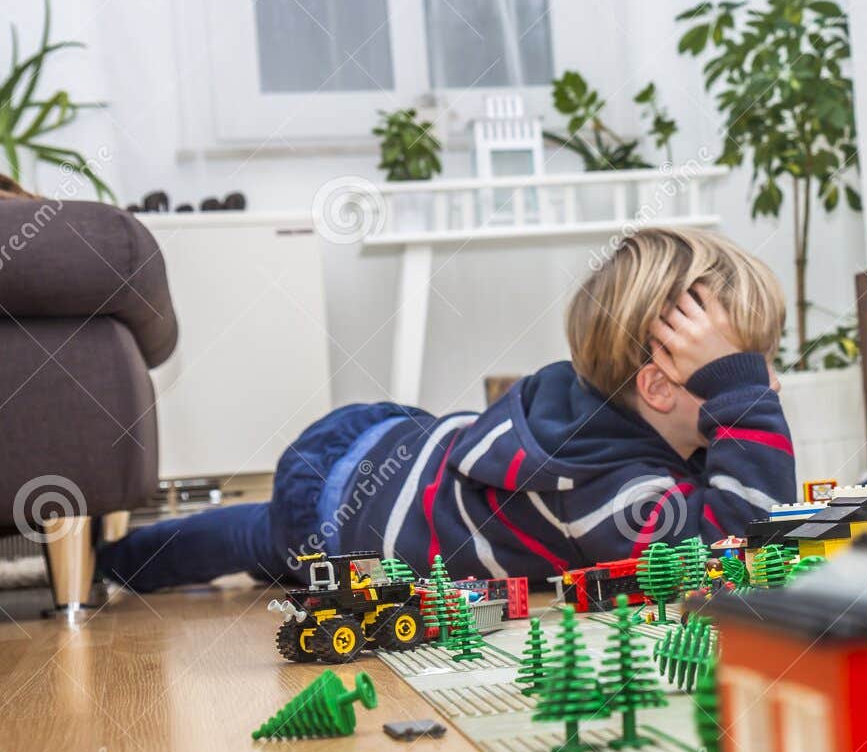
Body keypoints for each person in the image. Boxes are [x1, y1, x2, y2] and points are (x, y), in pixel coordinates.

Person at [100, 227, 796, 591]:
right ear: (658, 389)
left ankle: (131, 558)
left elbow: (728, 491)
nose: (767, 385)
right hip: (339, 515)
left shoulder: (611, 410)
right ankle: (115, 562)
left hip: (399, 447)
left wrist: (728, 403)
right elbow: (735, 548)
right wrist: (744, 407)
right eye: (742, 370)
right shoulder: (610, 491)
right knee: (254, 540)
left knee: (267, 560)